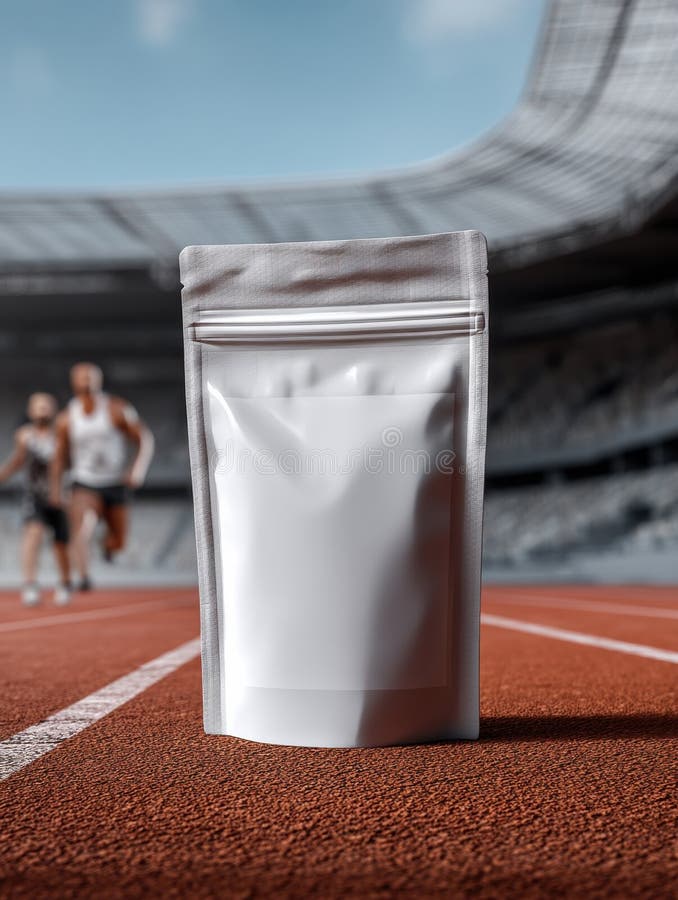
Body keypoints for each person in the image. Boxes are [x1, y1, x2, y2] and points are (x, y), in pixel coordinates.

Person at [50, 362, 154, 590]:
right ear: (73, 382)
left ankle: (109, 546)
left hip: (115, 481)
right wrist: (56, 489)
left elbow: (144, 438)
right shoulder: (66, 418)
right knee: (81, 527)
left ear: (99, 380)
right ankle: (84, 577)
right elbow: (58, 457)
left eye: (90, 376)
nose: (86, 381)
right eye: (81, 377)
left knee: (118, 541)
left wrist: (137, 469)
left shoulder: (117, 408)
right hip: (84, 481)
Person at [0, 393, 72, 606]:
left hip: (60, 497)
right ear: (30, 411)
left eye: (46, 406)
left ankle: (64, 583)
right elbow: (18, 460)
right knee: (33, 533)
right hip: (34, 496)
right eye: (37, 406)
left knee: (61, 545)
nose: (42, 410)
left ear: (54, 409)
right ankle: (30, 584)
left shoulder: (61, 436)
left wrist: (58, 492)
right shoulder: (24, 436)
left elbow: (64, 465)